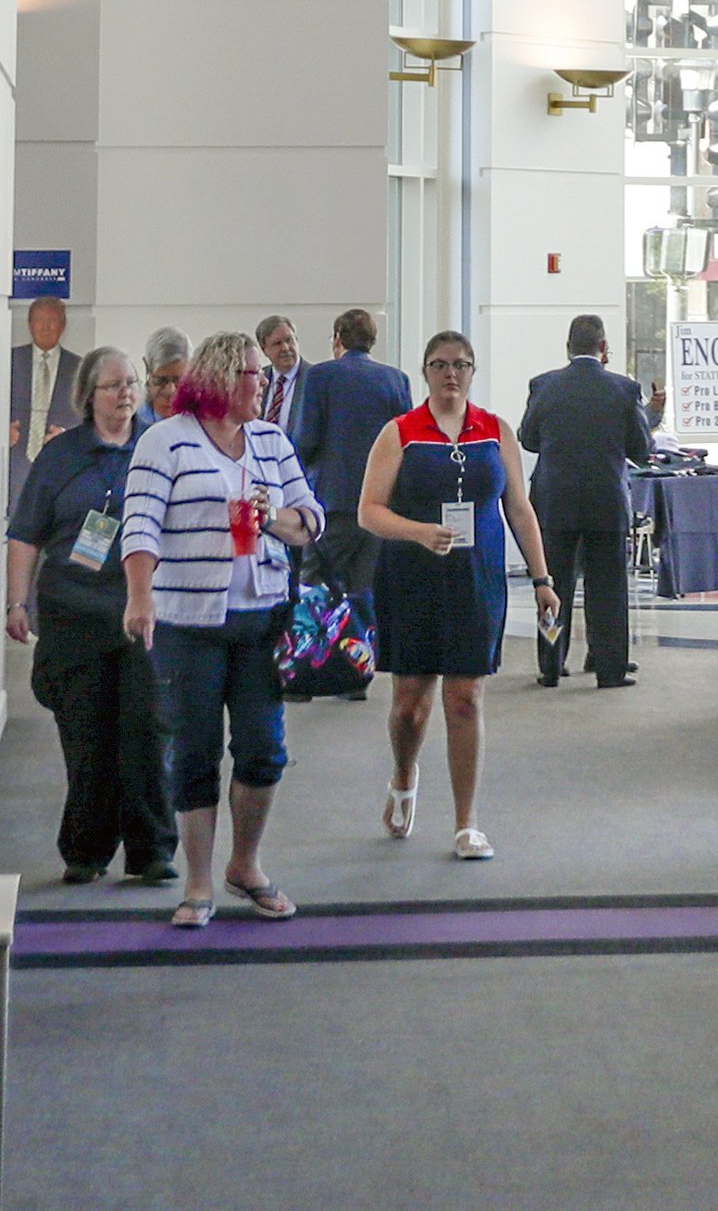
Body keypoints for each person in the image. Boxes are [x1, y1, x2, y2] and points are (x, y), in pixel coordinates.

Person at [120, 329, 325, 928]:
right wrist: (140, 600)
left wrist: (276, 519)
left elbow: (309, 518)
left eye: (264, 374)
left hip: (262, 620)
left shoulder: (270, 441)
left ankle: (245, 865)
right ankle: (199, 883)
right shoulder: (165, 442)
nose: (264, 383)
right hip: (188, 623)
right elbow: (140, 528)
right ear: (221, 379)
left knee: (264, 749)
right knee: (195, 752)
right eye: (254, 374)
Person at [358, 331, 559, 862]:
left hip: (476, 581)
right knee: (410, 707)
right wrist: (419, 531)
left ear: (473, 372)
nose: (452, 374)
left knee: (465, 699)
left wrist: (542, 579)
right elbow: (369, 511)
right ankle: (404, 776)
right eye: (441, 365)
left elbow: (519, 507)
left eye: (462, 365)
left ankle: (466, 822)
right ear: (425, 372)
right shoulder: (399, 432)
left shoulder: (496, 432)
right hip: (412, 578)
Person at [7, 346, 175, 886]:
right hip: (74, 613)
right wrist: (15, 602)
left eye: (131, 383)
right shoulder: (59, 457)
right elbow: (25, 535)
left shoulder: (160, 446)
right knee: (87, 733)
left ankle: (151, 850)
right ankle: (86, 848)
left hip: (143, 610)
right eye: (113, 385)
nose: (126, 393)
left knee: (147, 729)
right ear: (89, 395)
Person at [520, 314, 652, 689]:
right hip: (606, 504)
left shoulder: (543, 386)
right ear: (604, 348)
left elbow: (528, 438)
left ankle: (550, 665)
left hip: (554, 502)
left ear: (568, 347)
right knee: (608, 588)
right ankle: (610, 669)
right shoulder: (624, 390)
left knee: (553, 586)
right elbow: (641, 450)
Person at [293, 307, 415, 630]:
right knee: (365, 591)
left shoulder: (319, 376)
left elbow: (305, 440)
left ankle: (315, 659)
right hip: (381, 507)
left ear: (337, 340)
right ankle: (361, 657)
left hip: (333, 504)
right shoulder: (397, 380)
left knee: (316, 586)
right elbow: (407, 445)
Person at [13, 296, 85, 500]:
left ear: (63, 326)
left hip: (60, 466)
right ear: (29, 324)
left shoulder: (79, 367)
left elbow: (89, 419)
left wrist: (67, 435)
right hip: (13, 467)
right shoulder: (9, 360)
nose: (45, 327)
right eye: (38, 320)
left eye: (52, 320)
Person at [253, 315, 309, 447]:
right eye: (277, 343)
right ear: (264, 349)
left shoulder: (315, 378)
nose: (285, 348)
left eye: (289, 340)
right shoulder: (258, 378)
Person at [137, 328, 189, 436]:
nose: (170, 391)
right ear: (147, 369)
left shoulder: (203, 422)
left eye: (179, 381)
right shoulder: (132, 422)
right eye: (160, 381)